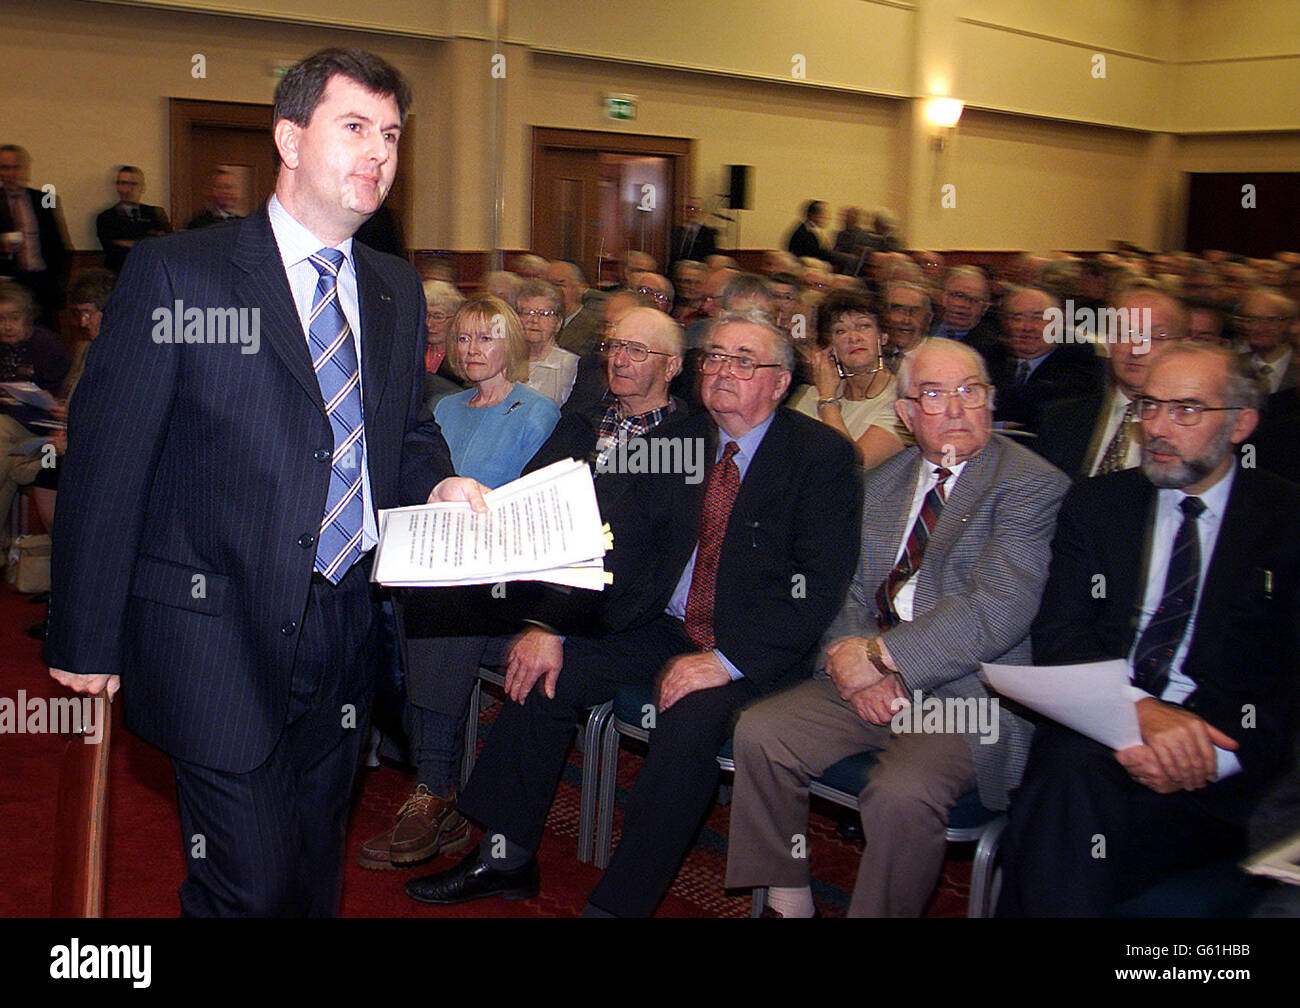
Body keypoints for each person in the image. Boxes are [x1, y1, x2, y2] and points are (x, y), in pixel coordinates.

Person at [46, 47, 487, 917]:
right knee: (246, 886)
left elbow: (403, 431)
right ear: (289, 138)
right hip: (213, 625)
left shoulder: (395, 287)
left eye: (391, 135)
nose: (378, 154)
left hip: (345, 623)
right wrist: (84, 636)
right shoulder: (181, 272)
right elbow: (109, 460)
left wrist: (436, 485)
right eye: (354, 127)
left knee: (309, 876)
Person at [403, 309, 861, 916]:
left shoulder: (819, 456)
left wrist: (724, 660)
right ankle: (505, 856)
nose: (723, 371)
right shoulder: (674, 444)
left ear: (780, 383)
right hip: (662, 624)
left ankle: (623, 901)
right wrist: (550, 625)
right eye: (715, 357)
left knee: (688, 722)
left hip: (757, 645)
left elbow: (818, 586)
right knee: (545, 673)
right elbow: (606, 538)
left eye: (744, 361)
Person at [725, 338, 1069, 917]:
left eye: (970, 391)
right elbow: (844, 587)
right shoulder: (882, 483)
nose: (955, 408)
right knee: (761, 733)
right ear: (907, 415)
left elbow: (998, 608)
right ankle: (788, 899)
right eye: (934, 394)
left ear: (990, 401)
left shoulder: (1030, 485)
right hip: (869, 674)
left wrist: (887, 659)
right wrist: (856, 664)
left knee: (901, 794)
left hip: (970, 695)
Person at [997, 342, 1299, 916]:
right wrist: (1136, 718)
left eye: (1185, 410)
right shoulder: (1099, 504)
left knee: (1053, 822)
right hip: (1100, 739)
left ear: (1241, 424)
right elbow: (1062, 637)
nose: (1156, 427)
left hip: (1214, 778)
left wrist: (1205, 755)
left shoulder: (1284, 522)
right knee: (1070, 795)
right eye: (1148, 406)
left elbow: (1286, 688)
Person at [359, 294, 558, 871]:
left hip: (506, 573)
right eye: (464, 338)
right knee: (390, 595)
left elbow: (528, 511)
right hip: (438, 563)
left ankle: (434, 784)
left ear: (512, 345)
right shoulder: (443, 409)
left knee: (442, 608)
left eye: (488, 337)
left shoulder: (537, 411)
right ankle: (416, 774)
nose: (473, 349)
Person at [1034, 285, 1186, 478]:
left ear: (1182, 345)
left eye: (1153, 337)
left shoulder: (1192, 431)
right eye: (1124, 334)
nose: (1135, 349)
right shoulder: (1061, 418)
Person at [787, 289, 905, 468]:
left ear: (882, 337)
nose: (853, 337)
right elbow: (789, 456)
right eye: (840, 331)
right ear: (829, 346)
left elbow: (851, 465)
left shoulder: (900, 398)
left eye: (864, 326)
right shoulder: (814, 393)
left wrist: (827, 400)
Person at [0, 144, 67, 327]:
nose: (11, 173)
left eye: (15, 167)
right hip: (8, 286)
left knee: (47, 338)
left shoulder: (45, 199)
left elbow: (58, 244)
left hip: (43, 283)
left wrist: (58, 280)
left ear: (24, 169)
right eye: (5, 168)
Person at [95, 165, 171, 274]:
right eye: (123, 183)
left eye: (133, 184)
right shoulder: (106, 217)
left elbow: (165, 244)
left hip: (152, 273)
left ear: (142, 187)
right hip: (120, 275)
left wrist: (128, 242)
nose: (128, 189)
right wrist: (148, 240)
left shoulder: (156, 213)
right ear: (117, 186)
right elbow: (113, 250)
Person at [515, 278, 577, 407]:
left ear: (558, 323)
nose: (534, 320)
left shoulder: (570, 365)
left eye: (544, 314)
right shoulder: (504, 361)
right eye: (528, 313)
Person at [420, 278, 464, 407]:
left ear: (456, 318)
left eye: (438, 316)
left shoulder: (463, 356)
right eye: (426, 315)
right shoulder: (414, 351)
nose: (429, 324)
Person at [669, 196, 716, 269]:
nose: (691, 211)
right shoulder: (676, 231)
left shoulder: (707, 234)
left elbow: (709, 258)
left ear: (701, 211)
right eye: (688, 208)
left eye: (695, 208)